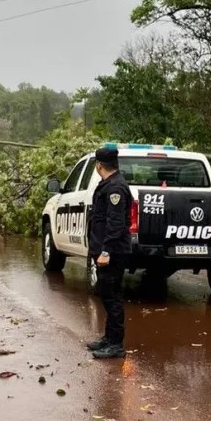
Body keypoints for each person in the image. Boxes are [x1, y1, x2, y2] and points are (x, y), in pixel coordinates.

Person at [87, 146, 132, 359]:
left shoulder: (115, 188)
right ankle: (108, 338)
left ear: (99, 165)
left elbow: (115, 223)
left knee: (112, 295)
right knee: (106, 293)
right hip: (107, 250)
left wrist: (106, 250)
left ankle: (116, 345)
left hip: (112, 251)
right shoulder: (109, 184)